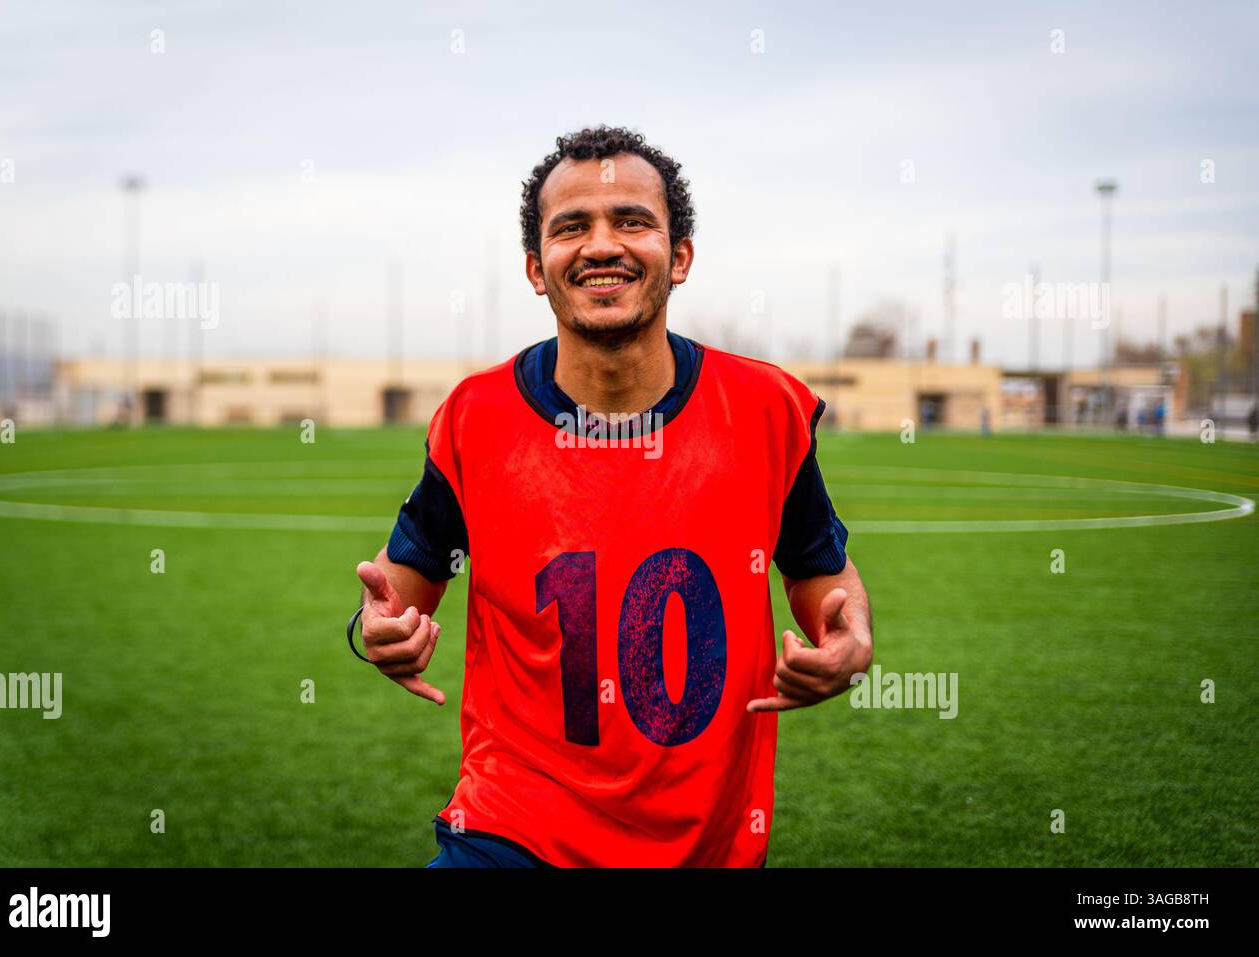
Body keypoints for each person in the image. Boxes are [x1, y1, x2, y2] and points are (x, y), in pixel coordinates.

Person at [351, 126, 872, 867]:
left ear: (679, 255)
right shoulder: (475, 418)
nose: (602, 245)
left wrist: (850, 646)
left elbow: (824, 578)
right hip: (510, 830)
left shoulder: (765, 410)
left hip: (707, 841)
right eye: (572, 227)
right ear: (537, 267)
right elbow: (396, 593)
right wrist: (376, 630)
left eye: (632, 220)